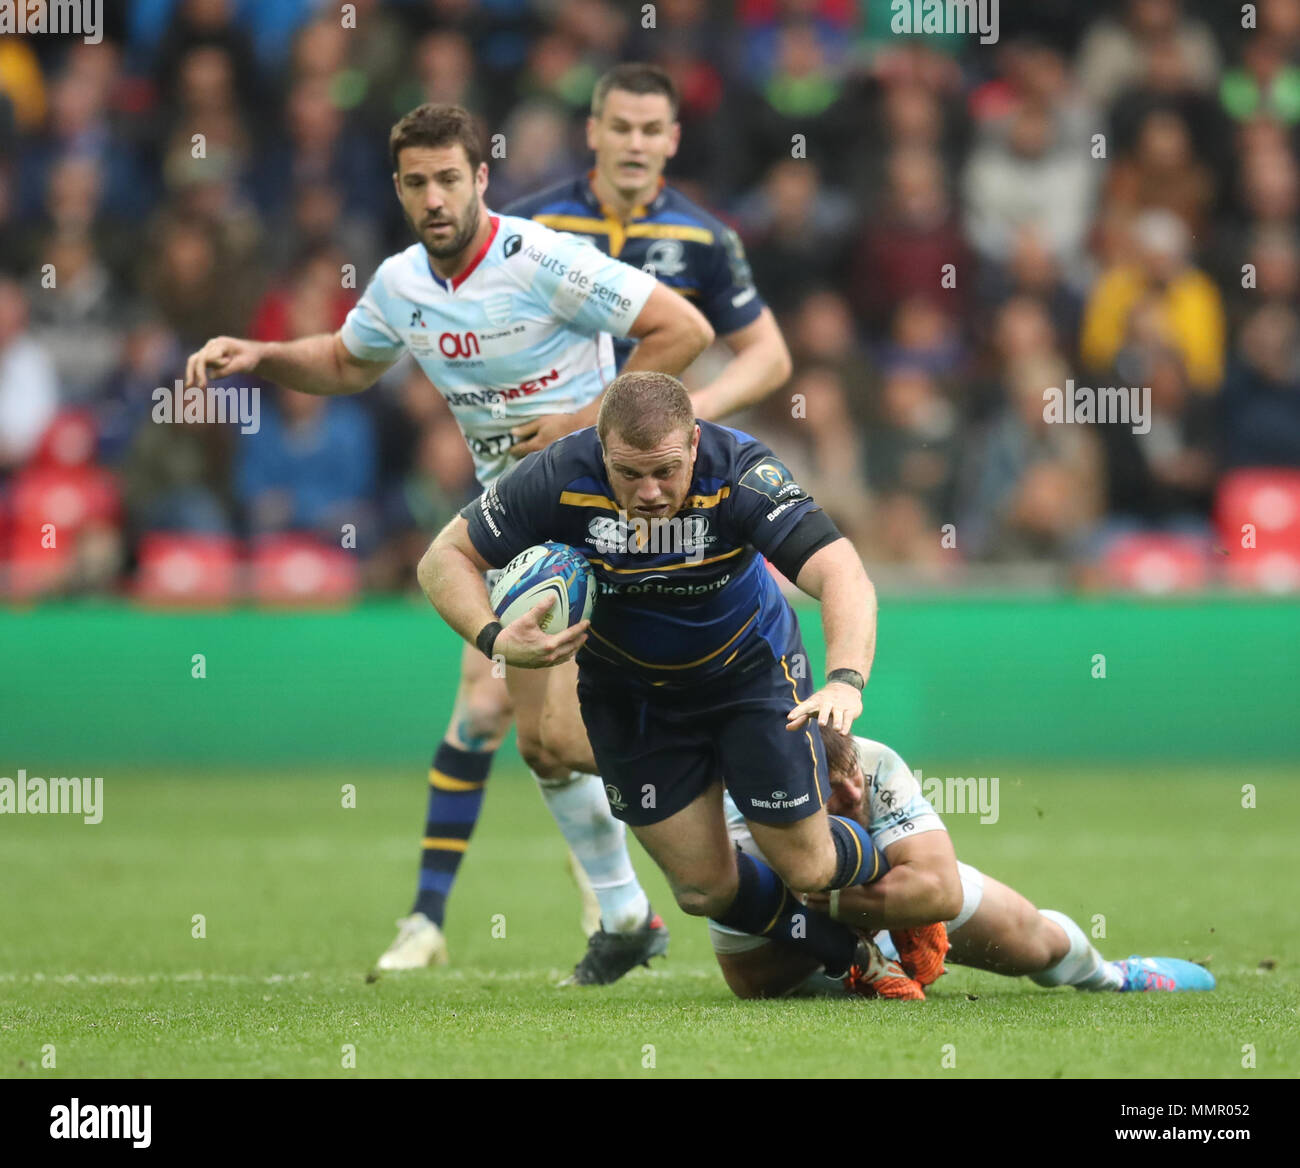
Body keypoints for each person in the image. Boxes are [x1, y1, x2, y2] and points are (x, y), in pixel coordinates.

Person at [184, 103, 715, 985]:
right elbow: (351, 363)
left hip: (601, 515)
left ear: (481, 179)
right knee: (532, 738)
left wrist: (583, 423)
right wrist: (264, 355)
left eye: (449, 179)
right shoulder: (400, 286)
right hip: (514, 526)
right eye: (416, 182)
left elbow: (683, 331)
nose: (434, 197)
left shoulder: (541, 259)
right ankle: (619, 909)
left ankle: (711, 814)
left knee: (546, 733)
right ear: (398, 189)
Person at [383, 63, 796, 980]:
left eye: (655, 128)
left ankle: (664, 868)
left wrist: (676, 422)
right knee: (515, 717)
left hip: (669, 503)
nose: (638, 143)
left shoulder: (702, 238)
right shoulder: (537, 232)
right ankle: (537, 910)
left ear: (673, 138)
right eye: (622, 126)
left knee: (539, 723)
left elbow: (768, 356)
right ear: (595, 132)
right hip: (549, 510)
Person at [417, 370, 924, 997]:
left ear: (693, 440)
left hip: (749, 676)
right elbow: (443, 557)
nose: (651, 492)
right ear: (602, 450)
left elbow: (841, 571)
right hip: (631, 697)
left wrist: (846, 679)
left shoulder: (740, 471)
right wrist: (493, 636)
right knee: (702, 889)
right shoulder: (556, 476)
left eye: (666, 470)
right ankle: (846, 955)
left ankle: (906, 871)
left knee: (811, 865)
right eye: (630, 474)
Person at [712, 725, 1217, 999]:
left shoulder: (874, 762)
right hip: (790, 947)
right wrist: (844, 934)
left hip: (875, 901)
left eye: (851, 776)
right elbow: (750, 976)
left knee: (1029, 936)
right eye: (831, 791)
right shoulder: (741, 817)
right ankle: (867, 959)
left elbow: (940, 891)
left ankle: (1110, 976)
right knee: (773, 984)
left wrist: (849, 901)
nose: (852, 792)